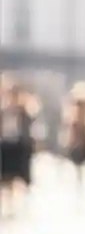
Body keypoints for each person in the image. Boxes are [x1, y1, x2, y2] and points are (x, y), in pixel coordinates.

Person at [0, 79, 35, 218]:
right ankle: (7, 204)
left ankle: (18, 204)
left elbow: (29, 126)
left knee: (19, 176)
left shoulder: (24, 109)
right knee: (6, 177)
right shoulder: (4, 109)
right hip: (6, 144)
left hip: (19, 145)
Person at [62, 82, 85, 204]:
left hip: (84, 143)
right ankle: (81, 189)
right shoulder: (75, 117)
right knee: (80, 168)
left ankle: (83, 189)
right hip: (79, 143)